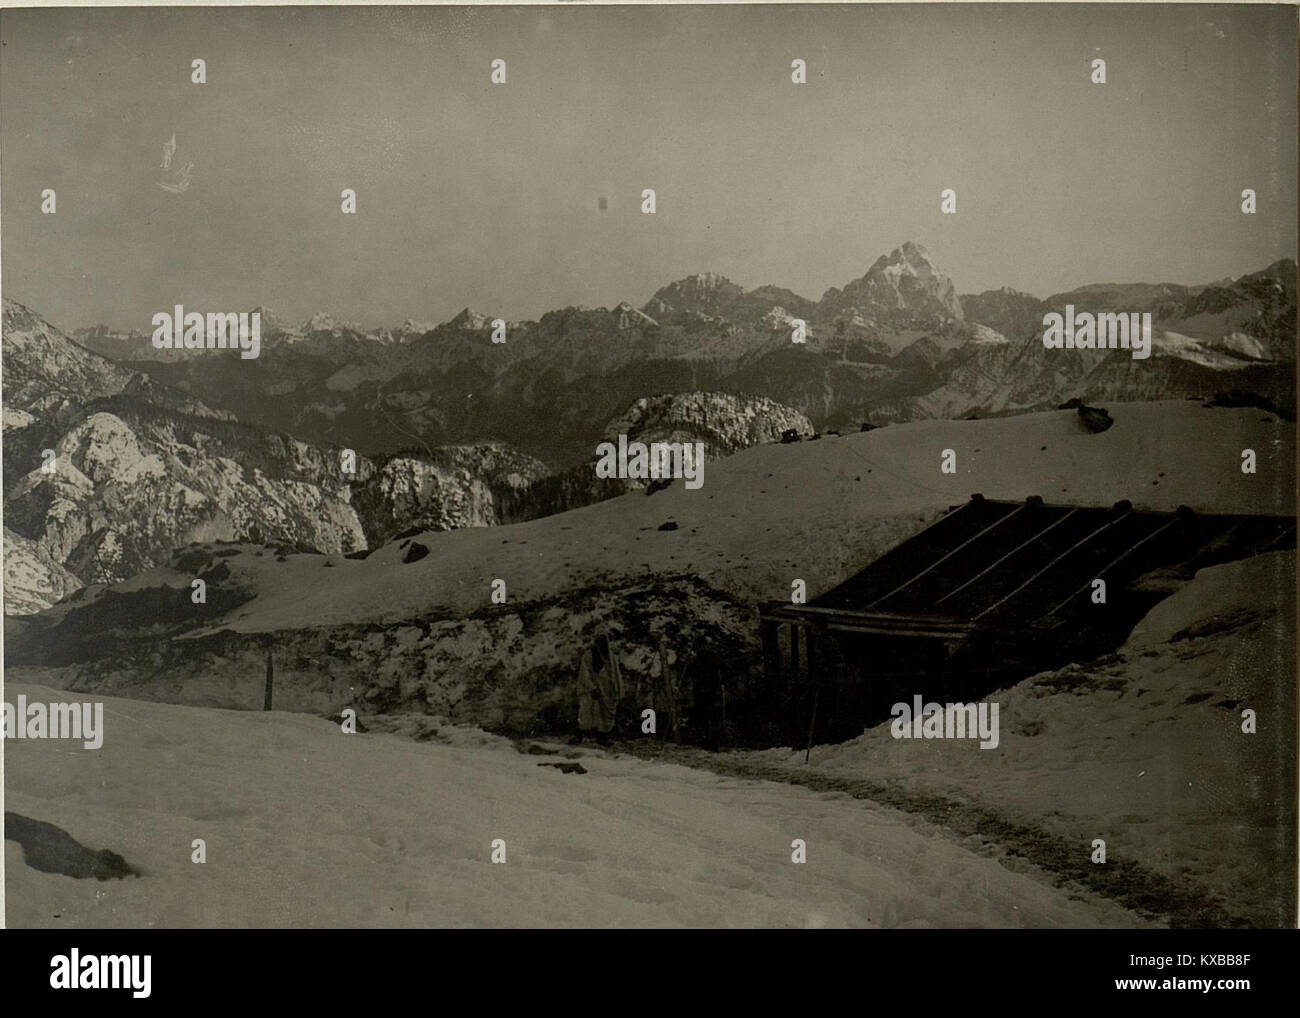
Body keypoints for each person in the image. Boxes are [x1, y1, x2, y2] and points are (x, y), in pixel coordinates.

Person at [575, 630, 624, 745]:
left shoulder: (611, 657)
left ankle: (603, 738)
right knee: (588, 712)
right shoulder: (588, 655)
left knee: (606, 716)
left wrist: (617, 689)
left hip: (607, 690)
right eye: (598, 641)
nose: (600, 644)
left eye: (603, 641)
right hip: (594, 689)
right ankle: (583, 736)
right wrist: (591, 688)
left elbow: (616, 674)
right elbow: (584, 673)